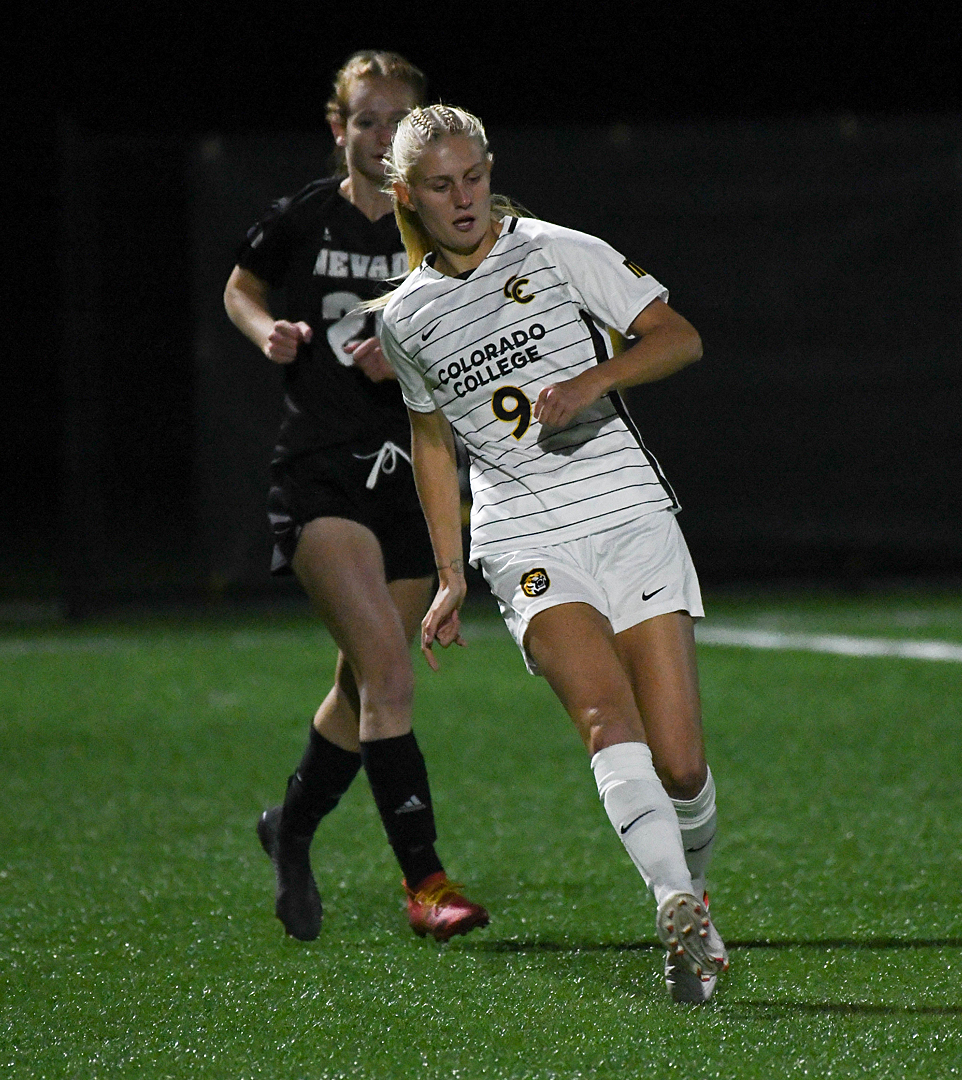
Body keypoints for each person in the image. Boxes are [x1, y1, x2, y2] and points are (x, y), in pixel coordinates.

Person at [373, 104, 726, 1003]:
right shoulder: (406, 317)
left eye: (475, 178)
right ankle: (675, 902)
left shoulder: (560, 251)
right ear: (408, 195)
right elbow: (435, 444)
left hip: (627, 514)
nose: (464, 200)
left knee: (682, 763)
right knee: (609, 722)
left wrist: (594, 379)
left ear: (492, 171)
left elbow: (680, 337)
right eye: (442, 186)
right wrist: (450, 574)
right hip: (524, 536)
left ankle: (694, 893)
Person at [222, 52, 488, 943]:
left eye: (395, 123)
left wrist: (415, 354)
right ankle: (427, 884)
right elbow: (242, 286)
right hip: (323, 474)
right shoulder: (303, 216)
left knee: (358, 686)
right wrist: (270, 333)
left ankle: (289, 832)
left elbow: (486, 337)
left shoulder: (444, 226)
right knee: (388, 668)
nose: (379, 139)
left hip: (412, 475)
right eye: (365, 122)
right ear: (338, 129)